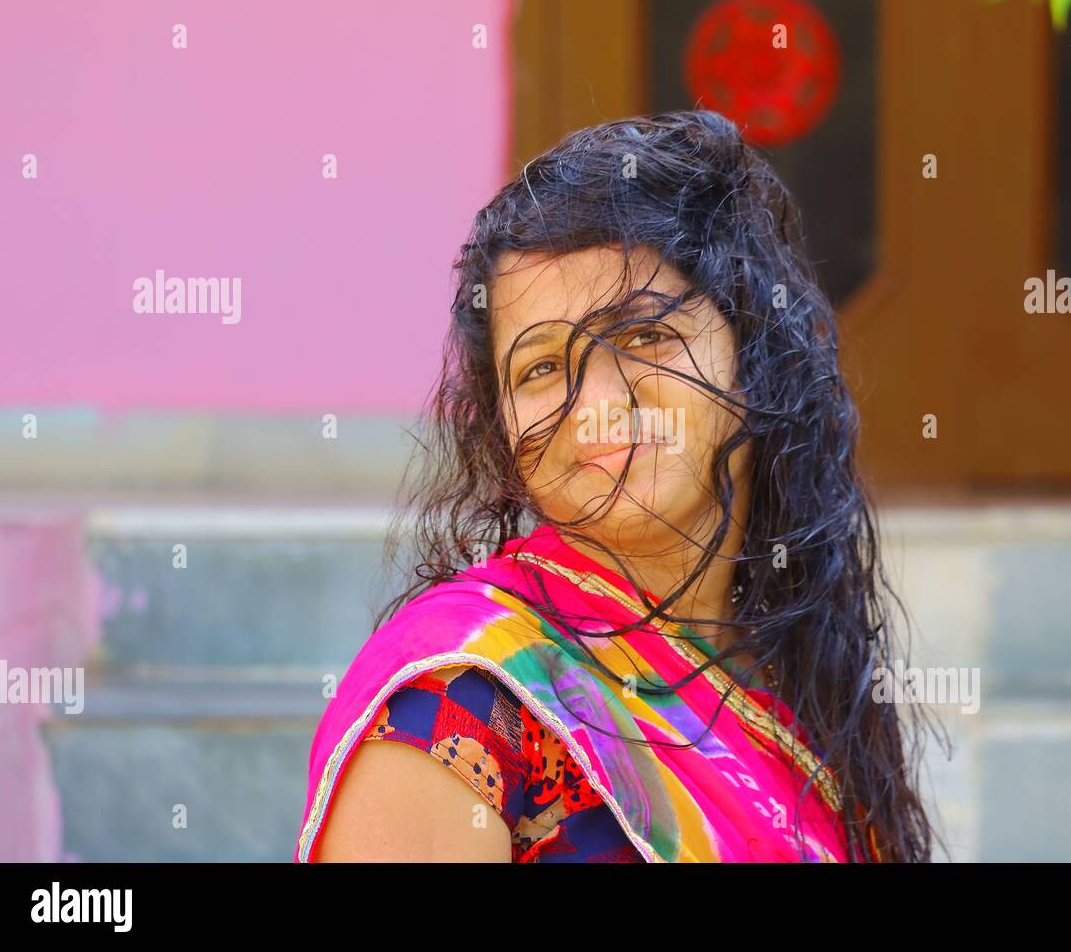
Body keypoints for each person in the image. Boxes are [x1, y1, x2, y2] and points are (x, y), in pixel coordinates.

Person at [294, 110, 938, 863]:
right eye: (541, 368)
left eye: (645, 336)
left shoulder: (787, 689)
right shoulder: (454, 707)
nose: (599, 406)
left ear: (751, 354)